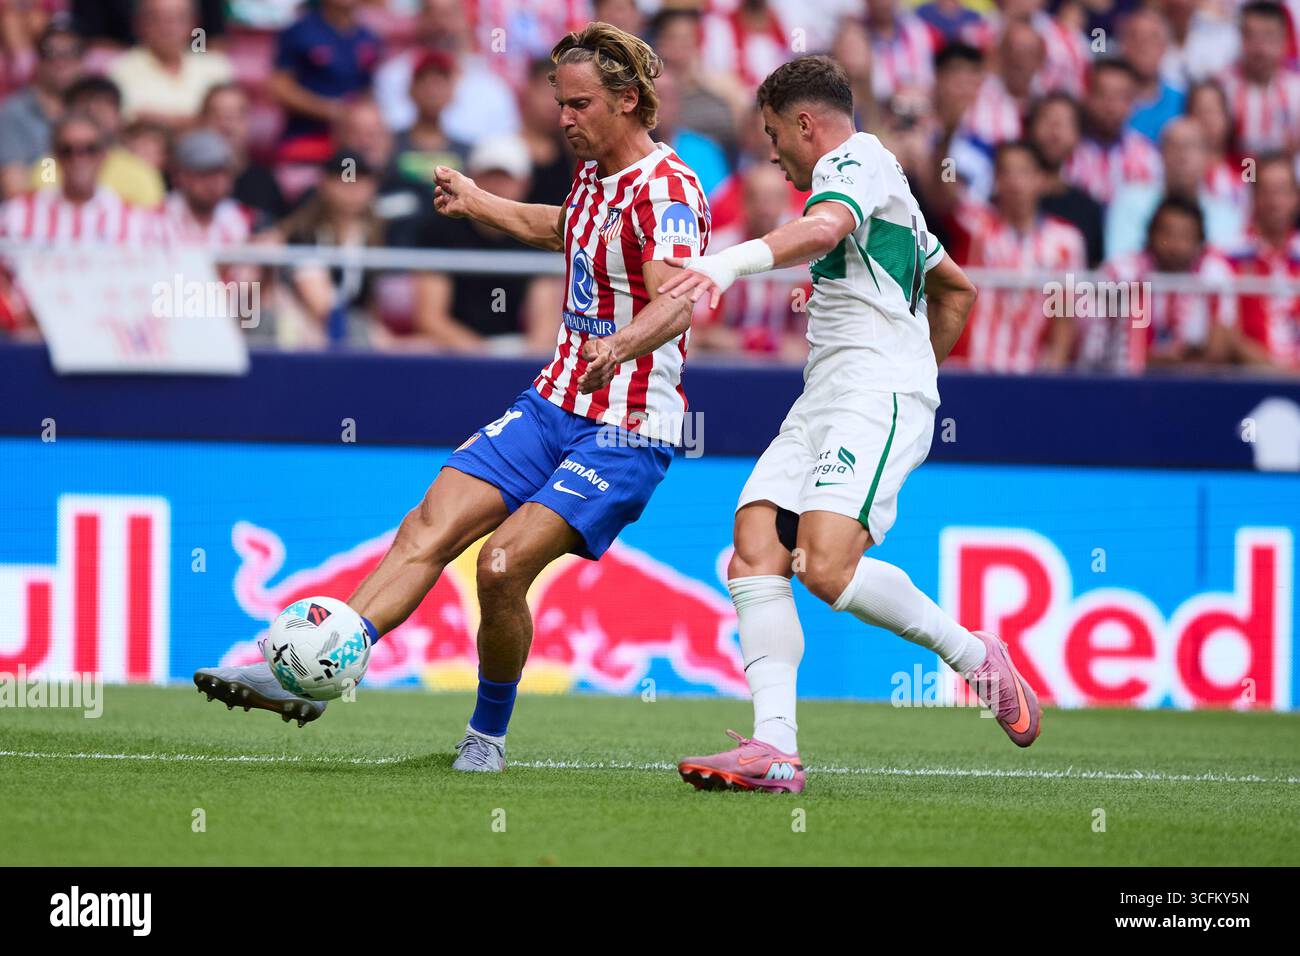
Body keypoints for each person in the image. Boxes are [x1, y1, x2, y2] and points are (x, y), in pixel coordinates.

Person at [193, 22, 711, 773]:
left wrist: (621, 346)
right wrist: (479, 202)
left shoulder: (671, 188)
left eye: (580, 104)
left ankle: (486, 736)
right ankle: (308, 673)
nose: (564, 117)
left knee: (499, 566)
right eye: (559, 103)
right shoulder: (596, 173)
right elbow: (568, 230)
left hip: (626, 428)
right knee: (425, 527)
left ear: (629, 101)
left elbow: (680, 298)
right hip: (551, 403)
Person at [660, 56, 1041, 795]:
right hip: (827, 397)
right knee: (754, 550)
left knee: (824, 567)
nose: (772, 152)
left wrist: (727, 264)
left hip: (872, 396)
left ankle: (972, 656)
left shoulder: (856, 161)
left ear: (806, 124)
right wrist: (918, 367)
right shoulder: (888, 195)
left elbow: (825, 224)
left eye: (774, 134)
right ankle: (775, 750)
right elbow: (955, 289)